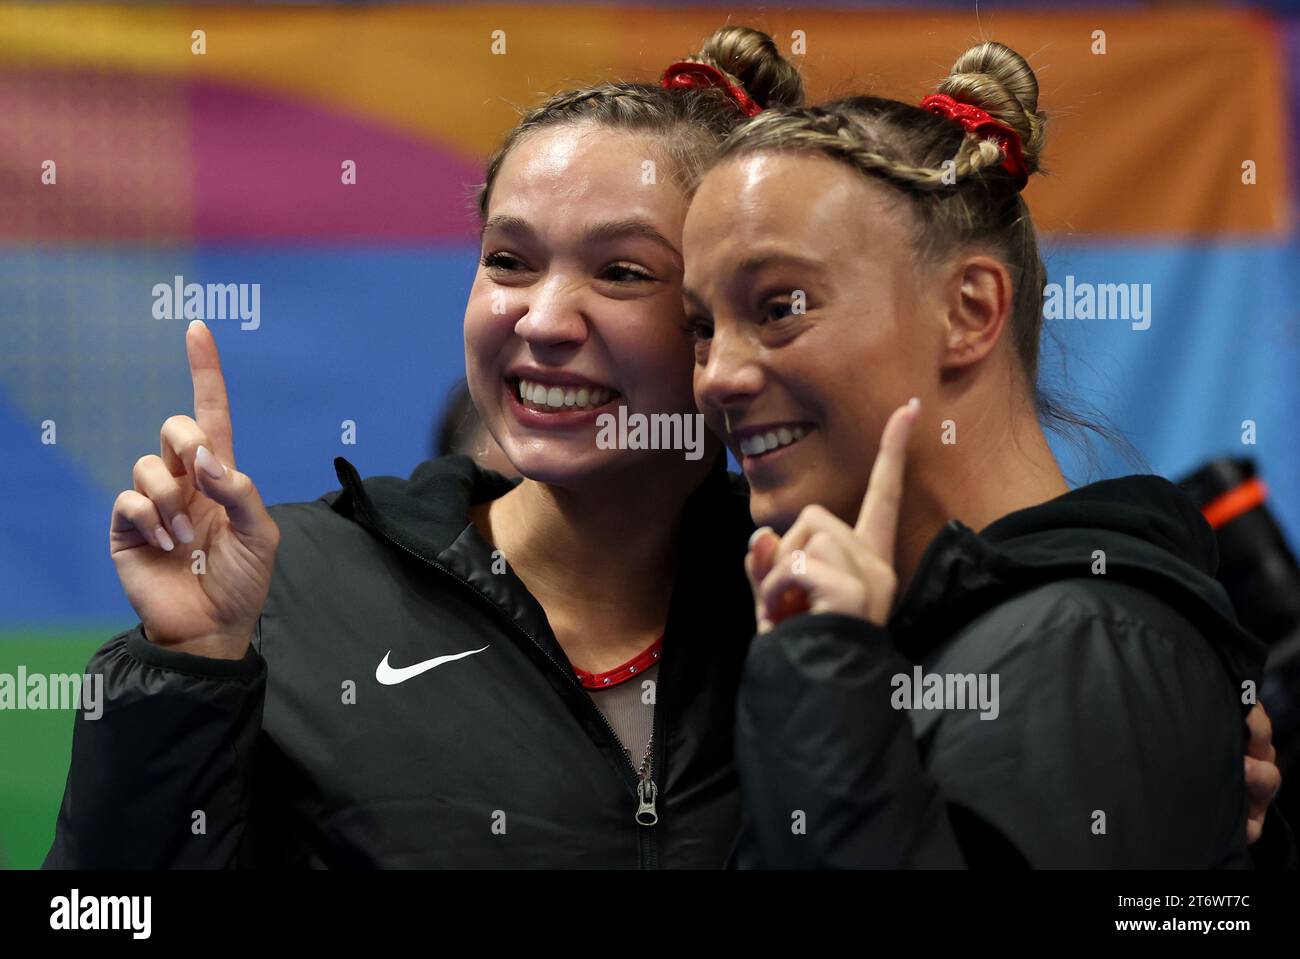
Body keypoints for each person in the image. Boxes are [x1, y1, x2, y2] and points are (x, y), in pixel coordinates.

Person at [43, 27, 803, 869]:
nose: (543, 321)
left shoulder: (826, 598)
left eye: (622, 272)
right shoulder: (281, 594)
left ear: (723, 315)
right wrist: (187, 671)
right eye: (509, 260)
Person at [680, 40, 1291, 867]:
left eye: (781, 305)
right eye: (701, 328)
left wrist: (823, 697)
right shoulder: (897, 634)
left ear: (970, 311)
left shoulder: (1087, 642)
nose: (716, 375)